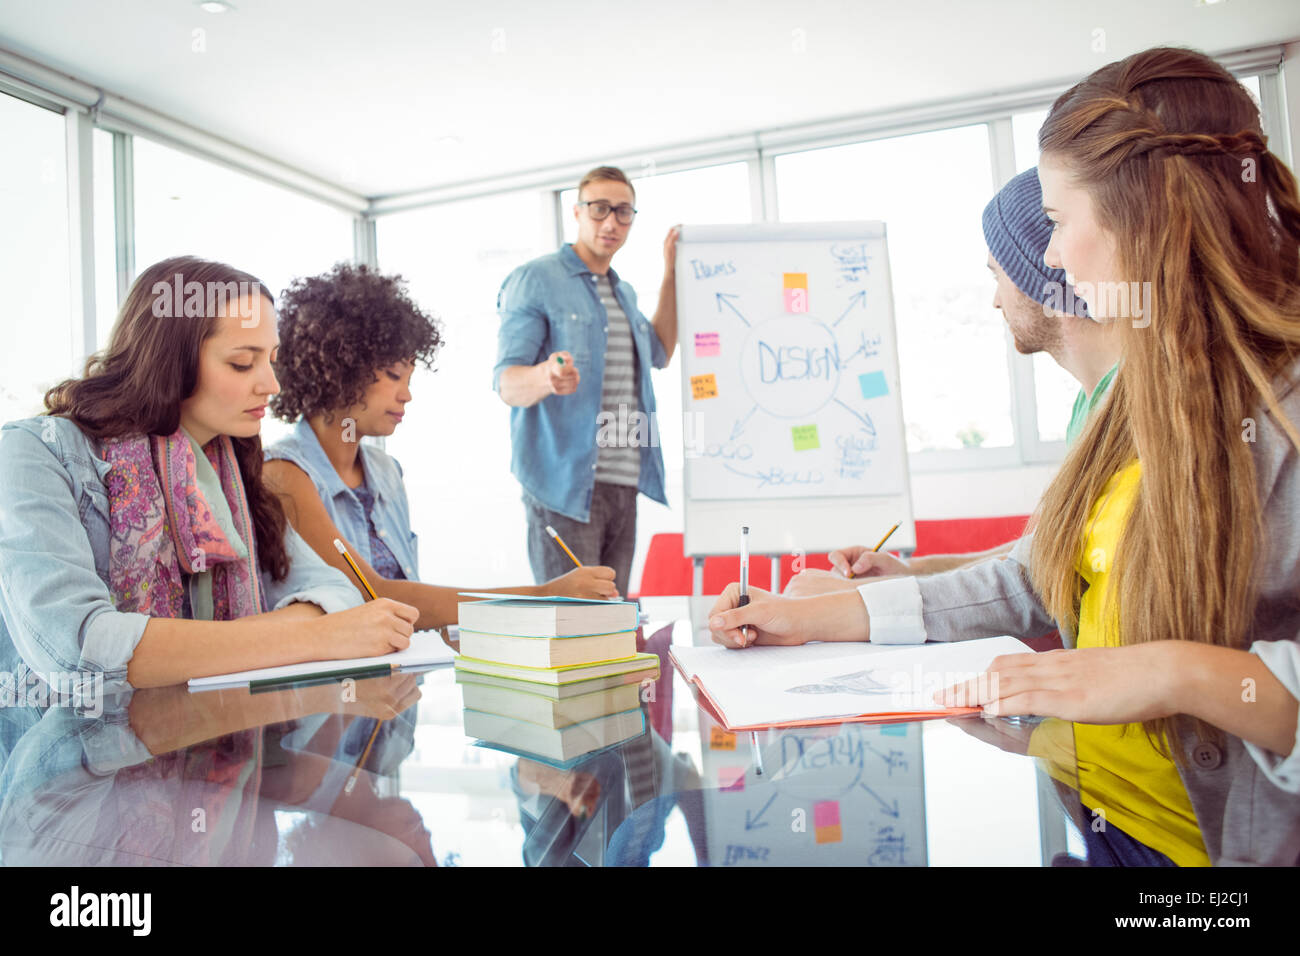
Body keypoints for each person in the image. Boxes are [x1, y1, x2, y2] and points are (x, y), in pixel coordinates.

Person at [707, 47, 1300, 866]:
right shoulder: (1147, 396)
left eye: (1056, 222)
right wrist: (809, 618)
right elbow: (1036, 575)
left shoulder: (1281, 411)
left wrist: (1175, 673)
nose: (1048, 257)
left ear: (1141, 216)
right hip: (1103, 824)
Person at [0, 257, 420, 690]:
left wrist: (310, 632)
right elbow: (79, 649)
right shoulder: (35, 452)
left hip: (213, 743)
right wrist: (316, 634)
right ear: (170, 362)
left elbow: (338, 592)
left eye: (272, 360)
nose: (271, 385)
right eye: (242, 363)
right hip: (72, 751)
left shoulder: (232, 468)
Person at [792, 167, 1122, 591]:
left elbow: (1028, 584)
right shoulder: (1088, 404)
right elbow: (1039, 554)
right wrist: (911, 572)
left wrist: (858, 603)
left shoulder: (1132, 407)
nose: (995, 300)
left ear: (1036, 277)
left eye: (997, 275)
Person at [494, 166, 680, 597]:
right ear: (577, 213)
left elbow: (660, 353)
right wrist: (547, 376)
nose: (611, 222)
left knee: (613, 626)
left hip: (624, 480)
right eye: (599, 209)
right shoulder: (536, 279)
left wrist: (671, 271)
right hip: (564, 485)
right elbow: (506, 382)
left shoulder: (623, 293)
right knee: (572, 630)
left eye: (623, 212)